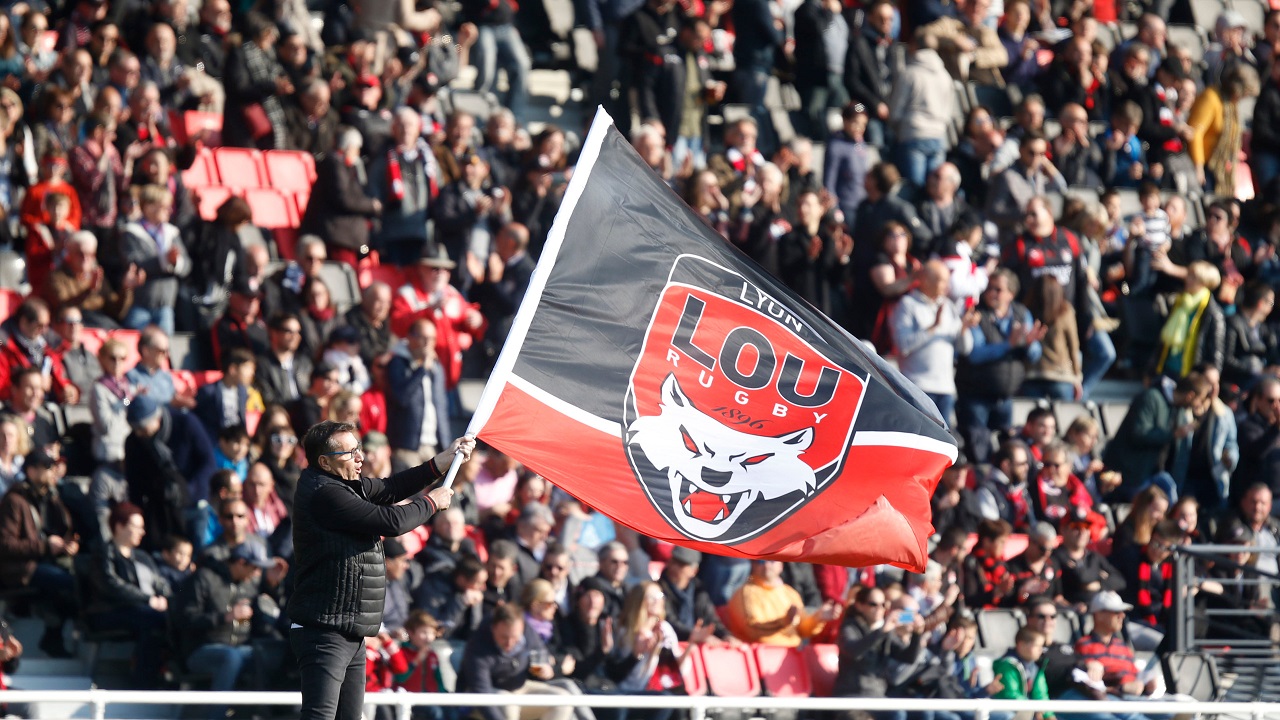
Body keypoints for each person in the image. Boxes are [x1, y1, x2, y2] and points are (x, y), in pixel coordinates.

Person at [289, 421, 474, 720]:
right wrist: (430, 502)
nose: (360, 457)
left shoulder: (342, 483)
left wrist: (442, 461)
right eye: (350, 452)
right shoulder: (324, 493)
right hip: (324, 630)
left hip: (350, 629)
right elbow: (390, 521)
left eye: (358, 448)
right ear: (324, 461)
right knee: (319, 716)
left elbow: (391, 488)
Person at [0, 451, 78, 658]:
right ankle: (53, 637)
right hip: (21, 568)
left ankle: (55, 635)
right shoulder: (14, 500)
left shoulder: (50, 497)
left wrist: (69, 545)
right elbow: (6, 545)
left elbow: (65, 528)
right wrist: (45, 546)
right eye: (46, 468)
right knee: (66, 583)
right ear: (31, 471)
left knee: (81, 578)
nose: (52, 472)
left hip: (46, 561)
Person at [87, 503, 172, 689]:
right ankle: (143, 681)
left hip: (141, 611)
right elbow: (111, 584)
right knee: (154, 620)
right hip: (110, 611)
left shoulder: (142, 557)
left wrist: (165, 598)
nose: (142, 532)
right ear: (119, 526)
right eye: (137, 527)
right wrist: (147, 599)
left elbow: (160, 583)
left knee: (165, 620)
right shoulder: (104, 553)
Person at [459, 601, 573, 720]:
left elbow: (539, 651)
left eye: (514, 637)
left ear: (522, 628)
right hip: (483, 698)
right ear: (493, 629)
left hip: (520, 687)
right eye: (504, 637)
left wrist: (543, 669)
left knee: (562, 700)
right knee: (508, 704)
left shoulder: (527, 631)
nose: (509, 643)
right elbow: (481, 692)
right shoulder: (477, 647)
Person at [834, 585, 927, 720]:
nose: (880, 609)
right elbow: (853, 651)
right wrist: (882, 631)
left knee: (923, 713)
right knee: (896, 714)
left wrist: (917, 634)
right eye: (874, 604)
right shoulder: (850, 627)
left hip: (877, 696)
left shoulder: (884, 632)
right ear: (860, 606)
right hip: (852, 695)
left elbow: (908, 657)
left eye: (883, 605)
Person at [725, 559, 839, 646]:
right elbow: (752, 631)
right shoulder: (745, 593)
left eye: (772, 560)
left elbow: (802, 629)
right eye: (761, 561)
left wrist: (818, 618)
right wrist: (784, 621)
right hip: (762, 658)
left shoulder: (789, 592)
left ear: (781, 565)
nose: (767, 565)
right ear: (753, 565)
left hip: (793, 656)